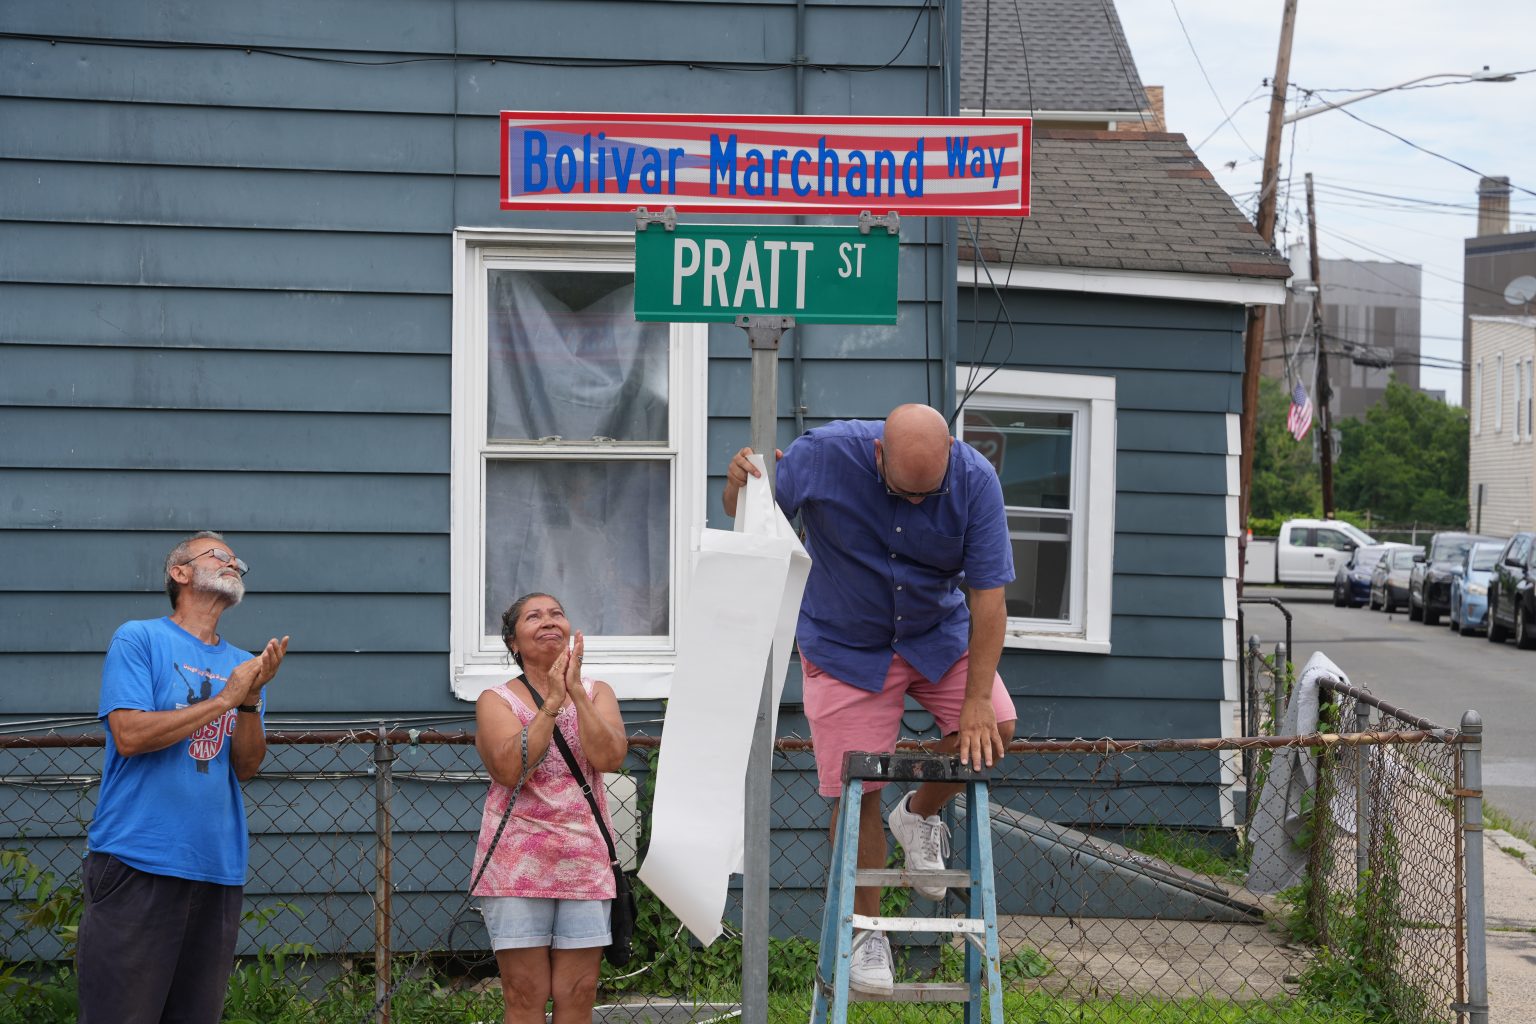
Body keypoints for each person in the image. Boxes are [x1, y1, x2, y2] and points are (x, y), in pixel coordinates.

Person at [723, 403, 1017, 996]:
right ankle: (867, 932)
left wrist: (978, 699)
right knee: (860, 787)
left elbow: (989, 599)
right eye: (904, 491)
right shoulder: (821, 454)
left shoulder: (976, 479)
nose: (916, 502)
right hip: (845, 643)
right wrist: (738, 487)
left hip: (937, 634)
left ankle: (920, 814)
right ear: (879, 453)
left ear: (951, 454)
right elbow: (749, 518)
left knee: (996, 728)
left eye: (928, 493)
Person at [76, 531, 290, 1024]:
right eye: (219, 555)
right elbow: (129, 735)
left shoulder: (244, 666)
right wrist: (224, 699)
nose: (233, 563)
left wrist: (249, 701)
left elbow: (246, 766)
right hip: (138, 859)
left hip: (216, 866)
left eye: (237, 560)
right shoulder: (140, 639)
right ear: (180, 572)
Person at [472, 592, 629, 1024]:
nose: (548, 621)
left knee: (578, 992)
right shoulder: (495, 699)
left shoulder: (597, 692)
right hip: (515, 865)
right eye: (534, 616)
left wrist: (575, 692)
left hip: (585, 861)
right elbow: (511, 770)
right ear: (513, 642)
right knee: (525, 993)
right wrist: (552, 703)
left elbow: (610, 757)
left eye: (556, 613)